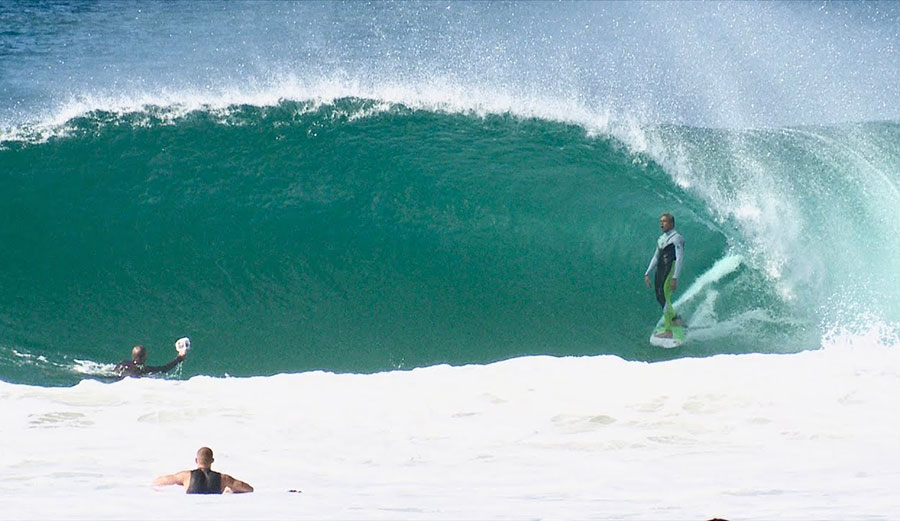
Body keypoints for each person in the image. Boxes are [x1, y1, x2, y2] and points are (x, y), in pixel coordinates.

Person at [643, 212, 684, 334]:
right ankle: (675, 319)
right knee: (660, 297)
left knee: (663, 297)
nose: (661, 224)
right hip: (660, 270)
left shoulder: (677, 238)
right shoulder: (661, 239)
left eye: (664, 221)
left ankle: (669, 329)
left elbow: (680, 258)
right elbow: (656, 257)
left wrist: (675, 277)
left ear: (671, 223)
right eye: (660, 221)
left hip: (669, 269)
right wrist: (647, 273)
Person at [153, 447, 254, 494]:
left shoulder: (186, 476)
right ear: (212, 460)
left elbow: (158, 482)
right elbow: (249, 489)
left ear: (196, 460)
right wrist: (232, 490)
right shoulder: (223, 478)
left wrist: (182, 483)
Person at [114, 337, 189, 378]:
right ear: (144, 357)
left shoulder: (123, 363)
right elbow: (164, 369)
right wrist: (179, 358)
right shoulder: (143, 370)